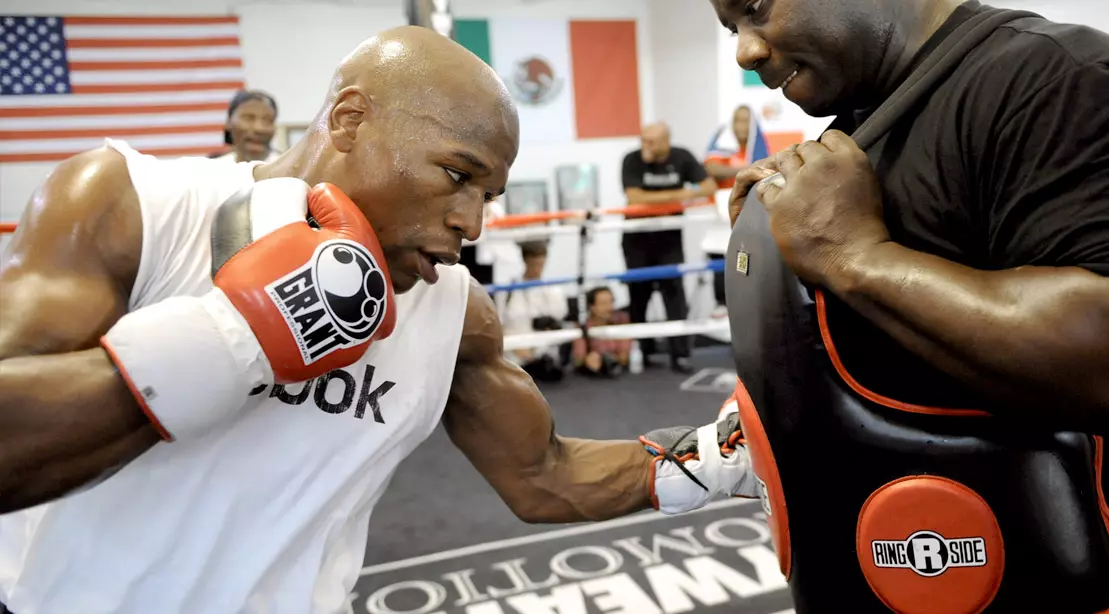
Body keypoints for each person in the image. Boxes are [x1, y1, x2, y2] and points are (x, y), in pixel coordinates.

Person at [0, 27, 757, 614]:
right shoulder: (134, 204)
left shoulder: (455, 310)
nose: (471, 223)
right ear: (350, 117)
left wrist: (724, 458)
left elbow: (544, 476)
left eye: (487, 196)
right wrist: (238, 340)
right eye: (456, 175)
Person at [714, 0, 1109, 610]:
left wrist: (854, 258)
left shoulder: (1048, 77)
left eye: (755, 9)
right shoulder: (860, 129)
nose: (745, 50)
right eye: (732, 28)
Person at [621, 122, 717, 374]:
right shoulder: (632, 160)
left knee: (674, 294)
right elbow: (635, 197)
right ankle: (647, 352)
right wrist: (680, 194)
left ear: (666, 140)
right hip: (637, 239)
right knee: (639, 295)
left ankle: (680, 355)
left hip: (669, 240)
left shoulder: (682, 157)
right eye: (643, 140)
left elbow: (708, 186)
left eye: (651, 141)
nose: (646, 146)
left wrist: (685, 191)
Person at [702, 105, 771, 312]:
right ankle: (721, 303)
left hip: (748, 213)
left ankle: (746, 302)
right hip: (720, 217)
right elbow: (713, 168)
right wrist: (746, 170)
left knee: (746, 258)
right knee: (719, 256)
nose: (741, 125)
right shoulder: (723, 145)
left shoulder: (757, 148)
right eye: (737, 120)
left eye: (745, 120)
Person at [501, 240, 568, 383]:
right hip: (515, 353)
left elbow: (558, 322)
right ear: (525, 260)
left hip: (544, 352)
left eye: (541, 263)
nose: (538, 268)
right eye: (535, 263)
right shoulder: (508, 290)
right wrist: (517, 349)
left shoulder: (553, 289)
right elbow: (498, 324)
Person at [571, 287, 632, 378]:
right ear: (592, 307)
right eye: (603, 304)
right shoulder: (583, 326)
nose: (609, 307)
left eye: (611, 302)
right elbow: (578, 360)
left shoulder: (621, 320)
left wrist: (607, 358)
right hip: (589, 379)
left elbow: (624, 356)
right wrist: (589, 359)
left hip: (621, 375)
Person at [212, 89, 280, 163]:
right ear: (229, 122)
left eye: (268, 120)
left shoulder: (288, 170)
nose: (259, 128)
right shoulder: (213, 170)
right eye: (248, 118)